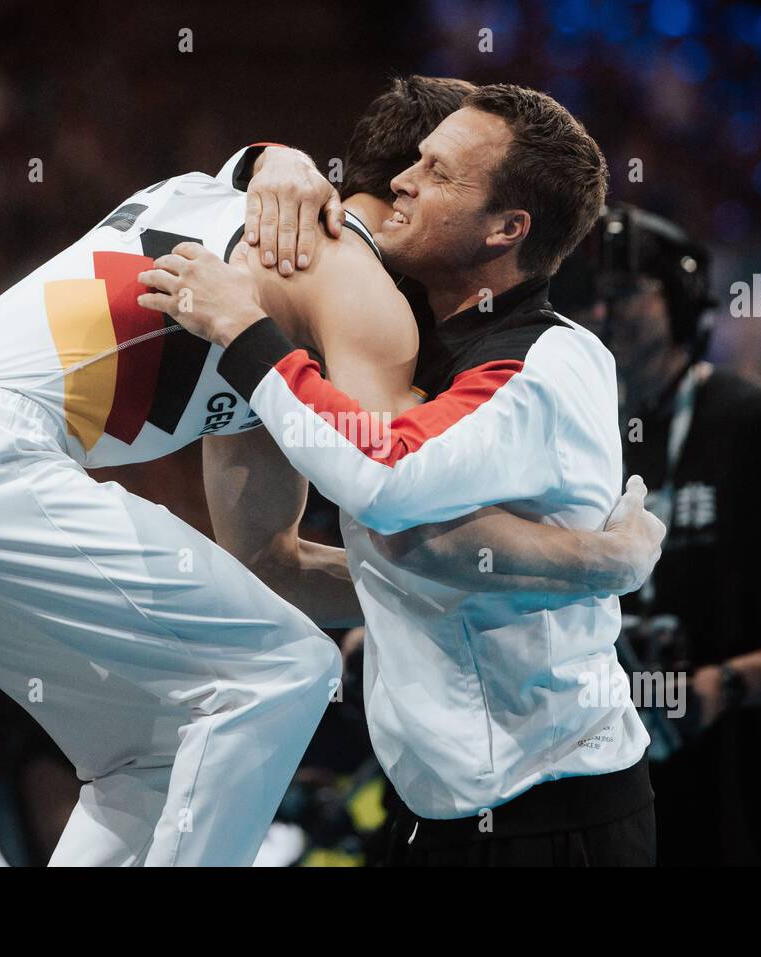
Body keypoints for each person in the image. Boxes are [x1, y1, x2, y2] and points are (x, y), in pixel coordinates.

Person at [0, 79, 663, 867]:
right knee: (284, 671)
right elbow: (396, 507)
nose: (417, 184)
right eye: (427, 165)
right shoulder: (354, 287)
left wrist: (273, 158)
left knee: (156, 754)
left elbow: (268, 561)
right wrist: (598, 562)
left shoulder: (234, 220)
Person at [143, 83, 660, 866]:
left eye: (441, 174)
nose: (405, 185)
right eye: (414, 161)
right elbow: (390, 551)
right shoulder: (412, 338)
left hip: (550, 816)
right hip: (431, 813)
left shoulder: (544, 362)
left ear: (506, 230)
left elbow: (385, 476)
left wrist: (245, 333)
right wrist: (269, 160)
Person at [549, 203, 761, 864]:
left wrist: (724, 683)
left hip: (740, 793)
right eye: (591, 299)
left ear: (685, 302)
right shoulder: (565, 434)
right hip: (595, 788)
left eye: (622, 295)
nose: (601, 315)